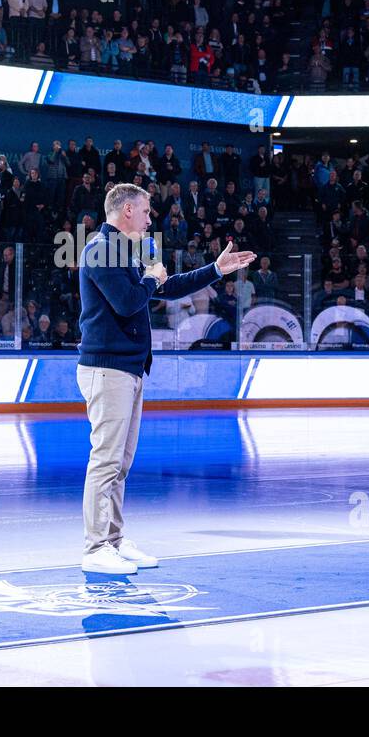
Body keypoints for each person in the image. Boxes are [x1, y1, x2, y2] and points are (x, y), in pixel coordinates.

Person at [77, 182, 255, 574]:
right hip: (107, 369)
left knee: (120, 463)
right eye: (145, 211)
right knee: (106, 460)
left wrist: (215, 270)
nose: (149, 218)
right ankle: (94, 548)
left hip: (128, 368)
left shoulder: (126, 251)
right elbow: (128, 303)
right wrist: (153, 278)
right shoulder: (101, 250)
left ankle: (114, 540)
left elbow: (165, 287)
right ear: (125, 211)